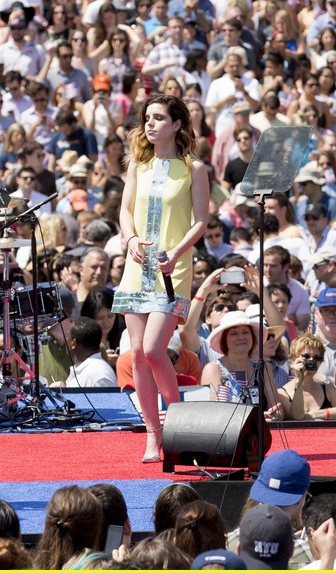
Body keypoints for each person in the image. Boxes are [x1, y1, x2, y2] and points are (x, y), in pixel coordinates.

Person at [115, 94, 209, 463]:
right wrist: (132, 238)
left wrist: (177, 251)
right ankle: (153, 435)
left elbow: (200, 222)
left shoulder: (194, 169)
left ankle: (181, 423)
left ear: (177, 125)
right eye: (147, 118)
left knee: (155, 348)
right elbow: (124, 211)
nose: (150, 124)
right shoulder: (138, 165)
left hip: (174, 267)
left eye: (158, 118)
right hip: (137, 266)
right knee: (137, 353)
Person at [278, 332, 336, 421]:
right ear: (293, 360)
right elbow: (297, 417)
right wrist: (299, 382)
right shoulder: (282, 393)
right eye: (306, 357)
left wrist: (317, 414)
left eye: (316, 358)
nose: (311, 361)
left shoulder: (327, 389)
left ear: (320, 363)